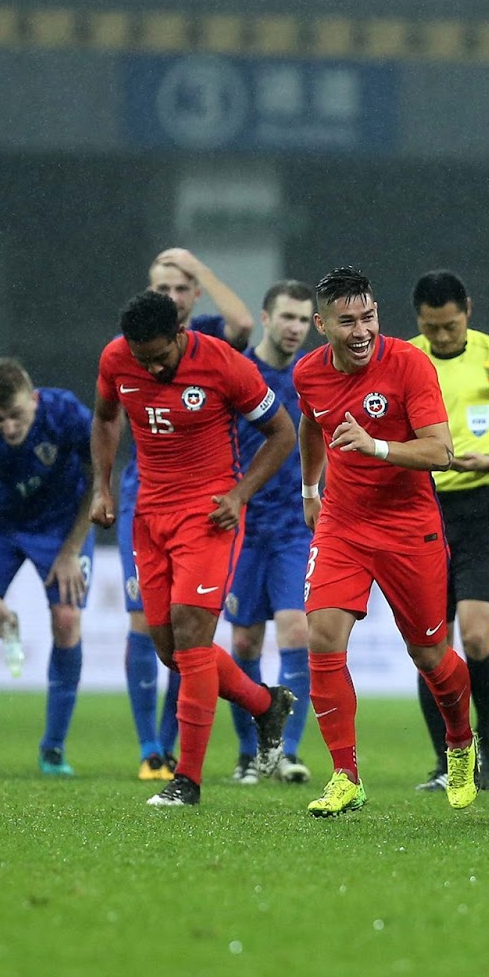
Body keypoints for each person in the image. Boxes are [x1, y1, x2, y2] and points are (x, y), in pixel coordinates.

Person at [92, 289, 297, 808]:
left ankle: (188, 779)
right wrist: (102, 486)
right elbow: (105, 417)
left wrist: (239, 493)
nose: (152, 367)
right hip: (149, 517)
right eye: (143, 359)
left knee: (191, 634)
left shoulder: (225, 364)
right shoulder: (117, 358)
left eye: (160, 356)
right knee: (171, 651)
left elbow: (281, 433)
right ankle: (264, 703)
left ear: (181, 335)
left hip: (209, 515)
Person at [292, 266, 478, 817]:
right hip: (344, 525)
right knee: (323, 635)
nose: (360, 330)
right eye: (346, 321)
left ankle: (461, 744)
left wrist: (376, 447)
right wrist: (309, 487)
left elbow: (440, 451)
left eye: (368, 317)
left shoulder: (409, 364)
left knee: (430, 653)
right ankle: (346, 776)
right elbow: (311, 423)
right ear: (321, 324)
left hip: (408, 527)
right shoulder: (308, 374)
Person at [122, 247, 254, 780]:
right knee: (153, 633)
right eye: (162, 289)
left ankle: (175, 753)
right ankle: (149, 744)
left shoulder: (203, 339)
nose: (171, 297)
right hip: (145, 495)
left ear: (194, 295)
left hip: (201, 500)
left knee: (189, 632)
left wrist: (200, 268)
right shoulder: (132, 345)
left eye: (180, 288)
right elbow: (107, 413)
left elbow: (242, 323)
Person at [407, 270, 489, 793]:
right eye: (432, 328)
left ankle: (487, 739)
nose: (441, 337)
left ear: (469, 310)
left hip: (483, 506)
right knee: (430, 644)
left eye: (450, 326)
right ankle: (446, 761)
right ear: (419, 321)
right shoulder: (403, 358)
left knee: (478, 637)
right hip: (421, 507)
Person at [0, 358, 95, 775]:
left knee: (66, 619)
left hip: (59, 526)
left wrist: (72, 550)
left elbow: (100, 475)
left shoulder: (64, 413)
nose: (8, 428)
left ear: (33, 398)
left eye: (16, 416)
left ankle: (53, 751)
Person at [223, 280, 316, 786]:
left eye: (303, 320)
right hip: (241, 524)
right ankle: (246, 751)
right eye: (287, 317)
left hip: (292, 524)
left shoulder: (312, 375)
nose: (295, 328)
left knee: (297, 629)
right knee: (243, 641)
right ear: (265, 316)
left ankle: (286, 750)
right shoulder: (241, 372)